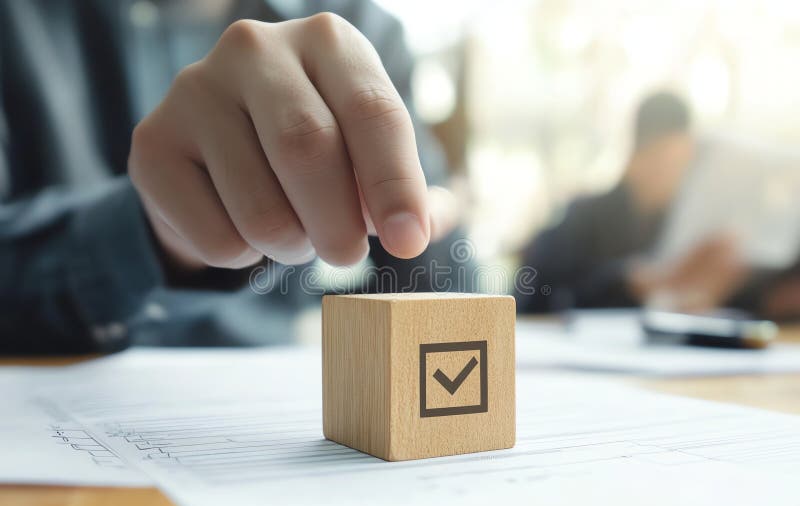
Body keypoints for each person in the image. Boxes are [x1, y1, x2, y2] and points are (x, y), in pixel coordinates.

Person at [0, 1, 466, 354]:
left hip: (277, 430)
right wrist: (153, 235)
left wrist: (440, 225)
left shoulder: (358, 26)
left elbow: (441, 285)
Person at [515, 91, 749, 313]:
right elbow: (541, 293)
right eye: (668, 158)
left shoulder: (683, 227)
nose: (677, 172)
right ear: (640, 151)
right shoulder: (583, 218)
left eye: (683, 160)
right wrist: (628, 281)